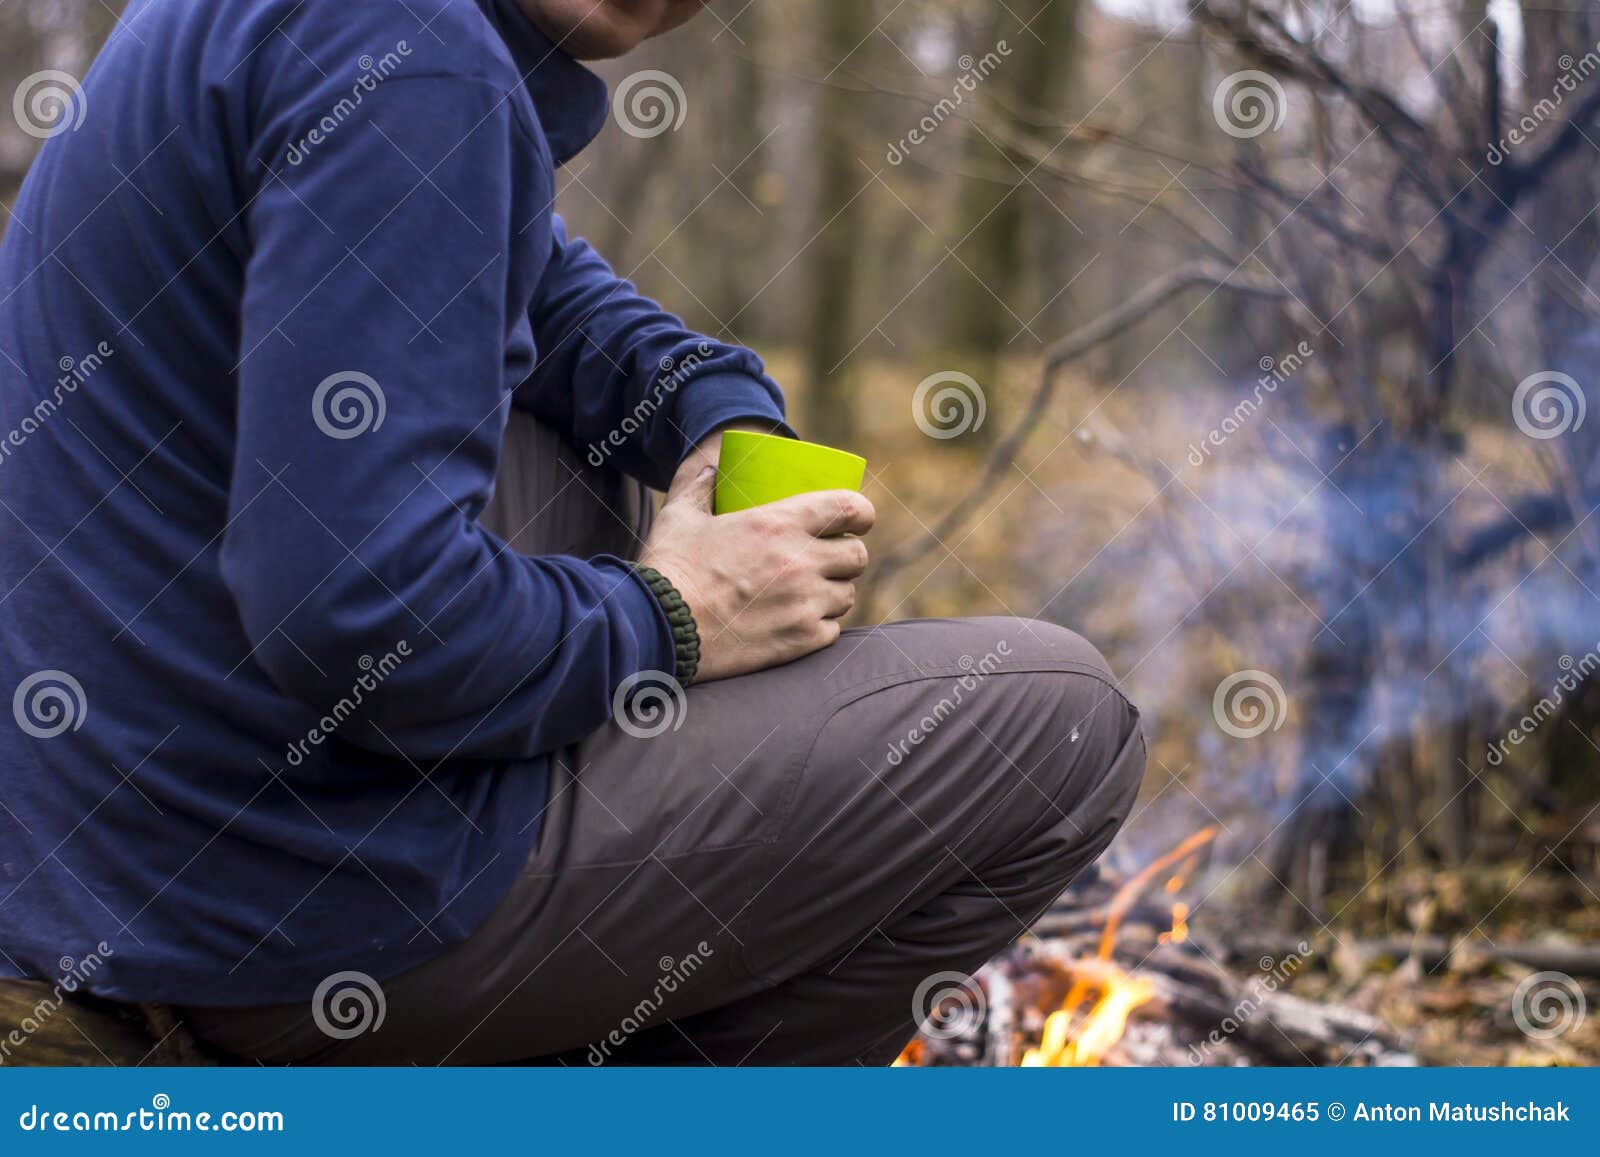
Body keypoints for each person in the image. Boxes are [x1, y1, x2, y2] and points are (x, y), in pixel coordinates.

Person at [0, 0, 1144, 1065]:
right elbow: (356, 611)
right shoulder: (424, 72)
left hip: (105, 851)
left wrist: (711, 405)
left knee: (569, 432)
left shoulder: (359, 39)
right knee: (1059, 723)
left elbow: (538, 292)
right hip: (278, 906)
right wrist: (674, 613)